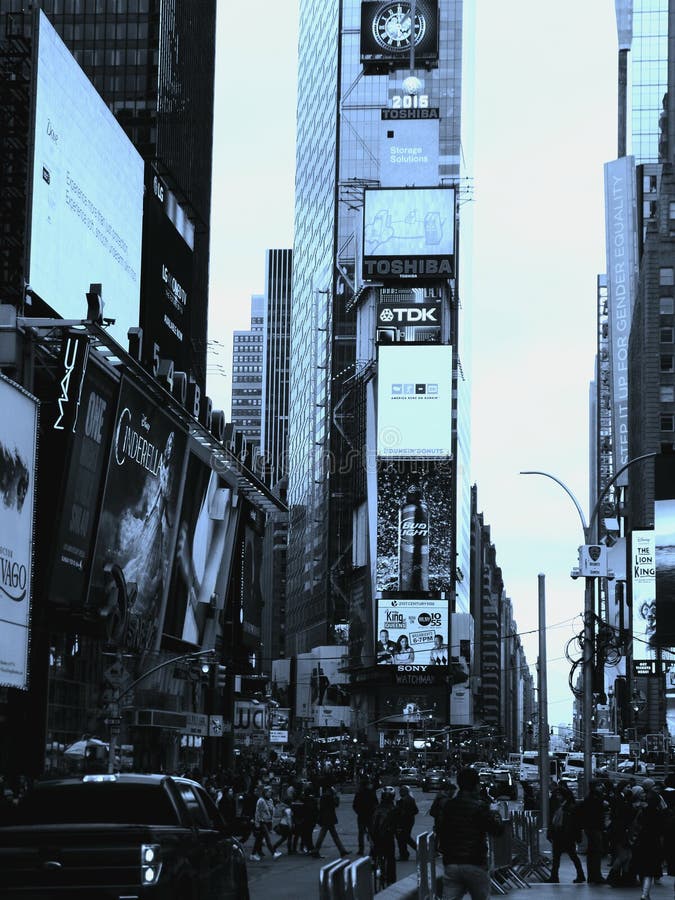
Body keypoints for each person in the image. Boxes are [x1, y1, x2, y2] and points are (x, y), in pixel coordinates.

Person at [435, 766, 504, 900]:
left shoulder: (449, 806)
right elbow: (497, 830)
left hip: (451, 862)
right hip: (474, 862)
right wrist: (495, 813)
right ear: (476, 786)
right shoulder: (480, 807)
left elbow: (440, 830)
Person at [628, 784, 664, 900]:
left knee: (644, 869)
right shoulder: (659, 814)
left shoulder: (642, 812)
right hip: (654, 842)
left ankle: (645, 893)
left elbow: (636, 826)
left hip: (641, 841)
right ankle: (645, 894)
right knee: (649, 870)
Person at [546, 781, 585, 883]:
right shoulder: (563, 807)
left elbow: (574, 824)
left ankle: (578, 875)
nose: (558, 797)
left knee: (569, 856)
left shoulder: (568, 808)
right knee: (561, 857)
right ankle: (555, 876)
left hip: (566, 835)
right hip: (560, 834)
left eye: (559, 795)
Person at [578, 780, 609, 884]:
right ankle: (596, 875)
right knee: (596, 852)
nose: (601, 787)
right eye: (599, 785)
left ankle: (593, 875)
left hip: (591, 828)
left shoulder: (591, 798)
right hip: (594, 828)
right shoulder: (594, 799)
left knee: (592, 852)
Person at [370, 786, 398, 887]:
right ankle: (391, 879)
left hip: (376, 836)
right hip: (387, 836)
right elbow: (397, 825)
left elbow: (372, 823)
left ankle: (374, 860)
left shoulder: (376, 808)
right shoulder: (393, 809)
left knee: (375, 849)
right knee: (390, 857)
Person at [312, 784, 348, 858]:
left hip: (325, 817)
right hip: (330, 818)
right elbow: (336, 804)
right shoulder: (330, 797)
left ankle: (342, 850)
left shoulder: (323, 797)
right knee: (328, 835)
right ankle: (316, 850)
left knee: (329, 835)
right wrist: (336, 796)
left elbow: (321, 808)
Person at [251, 786, 281, 861]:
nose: (269, 793)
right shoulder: (261, 801)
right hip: (262, 821)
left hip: (267, 821)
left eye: (270, 792)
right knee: (267, 837)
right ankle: (273, 853)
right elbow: (258, 813)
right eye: (268, 792)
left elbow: (271, 811)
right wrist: (257, 823)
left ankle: (253, 854)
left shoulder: (270, 800)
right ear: (264, 792)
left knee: (259, 839)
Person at [353, 776, 378, 856]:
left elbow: (355, 805)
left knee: (361, 833)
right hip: (370, 815)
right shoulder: (371, 792)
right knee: (371, 833)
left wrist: (358, 812)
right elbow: (376, 804)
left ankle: (361, 850)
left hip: (361, 815)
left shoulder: (359, 793)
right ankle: (372, 848)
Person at [395, 784, 419, 861]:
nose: (400, 792)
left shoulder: (402, 801)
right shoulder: (410, 799)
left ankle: (405, 854)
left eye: (401, 791)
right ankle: (405, 854)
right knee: (405, 837)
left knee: (403, 838)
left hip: (404, 822)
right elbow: (416, 811)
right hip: (409, 821)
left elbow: (400, 813)